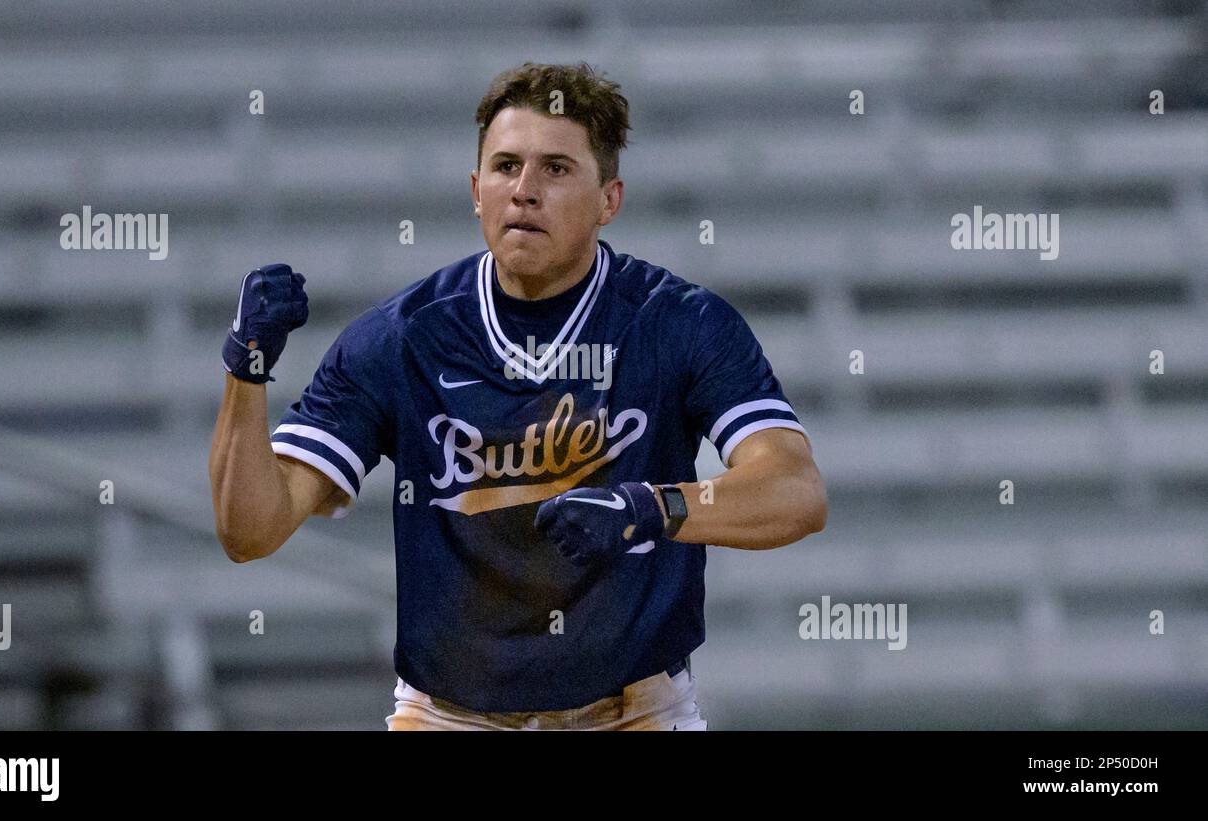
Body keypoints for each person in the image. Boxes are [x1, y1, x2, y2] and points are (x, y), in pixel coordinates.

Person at [209, 62, 827, 730]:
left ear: (609, 199)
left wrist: (649, 507)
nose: (524, 191)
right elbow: (249, 530)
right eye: (506, 167)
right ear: (476, 191)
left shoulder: (677, 322)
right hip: (449, 714)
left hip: (633, 709)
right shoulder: (401, 338)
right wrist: (246, 367)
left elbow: (795, 491)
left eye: (556, 169)